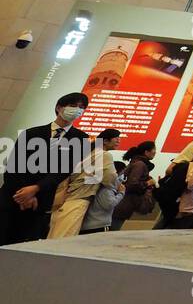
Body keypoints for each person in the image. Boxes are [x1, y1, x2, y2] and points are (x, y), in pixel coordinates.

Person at [0, 93, 91, 246]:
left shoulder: (81, 139)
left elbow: (63, 171)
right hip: (12, 196)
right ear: (59, 107)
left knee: (25, 247)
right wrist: (24, 194)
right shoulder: (31, 133)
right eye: (73, 106)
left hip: (40, 201)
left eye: (81, 107)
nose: (77, 110)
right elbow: (14, 166)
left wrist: (36, 189)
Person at [49, 129, 123, 239]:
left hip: (67, 196)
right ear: (105, 141)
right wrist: (119, 187)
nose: (118, 140)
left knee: (56, 233)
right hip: (80, 197)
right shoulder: (104, 155)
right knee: (66, 237)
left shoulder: (87, 152)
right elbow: (109, 178)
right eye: (116, 137)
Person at [112, 142, 157, 230]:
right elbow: (132, 185)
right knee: (113, 229)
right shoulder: (140, 164)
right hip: (125, 202)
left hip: (124, 202)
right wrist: (148, 183)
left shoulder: (135, 162)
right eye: (154, 149)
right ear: (146, 152)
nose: (155, 152)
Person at [80, 161, 127, 234]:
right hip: (98, 225)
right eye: (122, 174)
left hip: (89, 224)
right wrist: (121, 193)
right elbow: (109, 204)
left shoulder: (99, 185)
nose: (123, 178)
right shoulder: (107, 189)